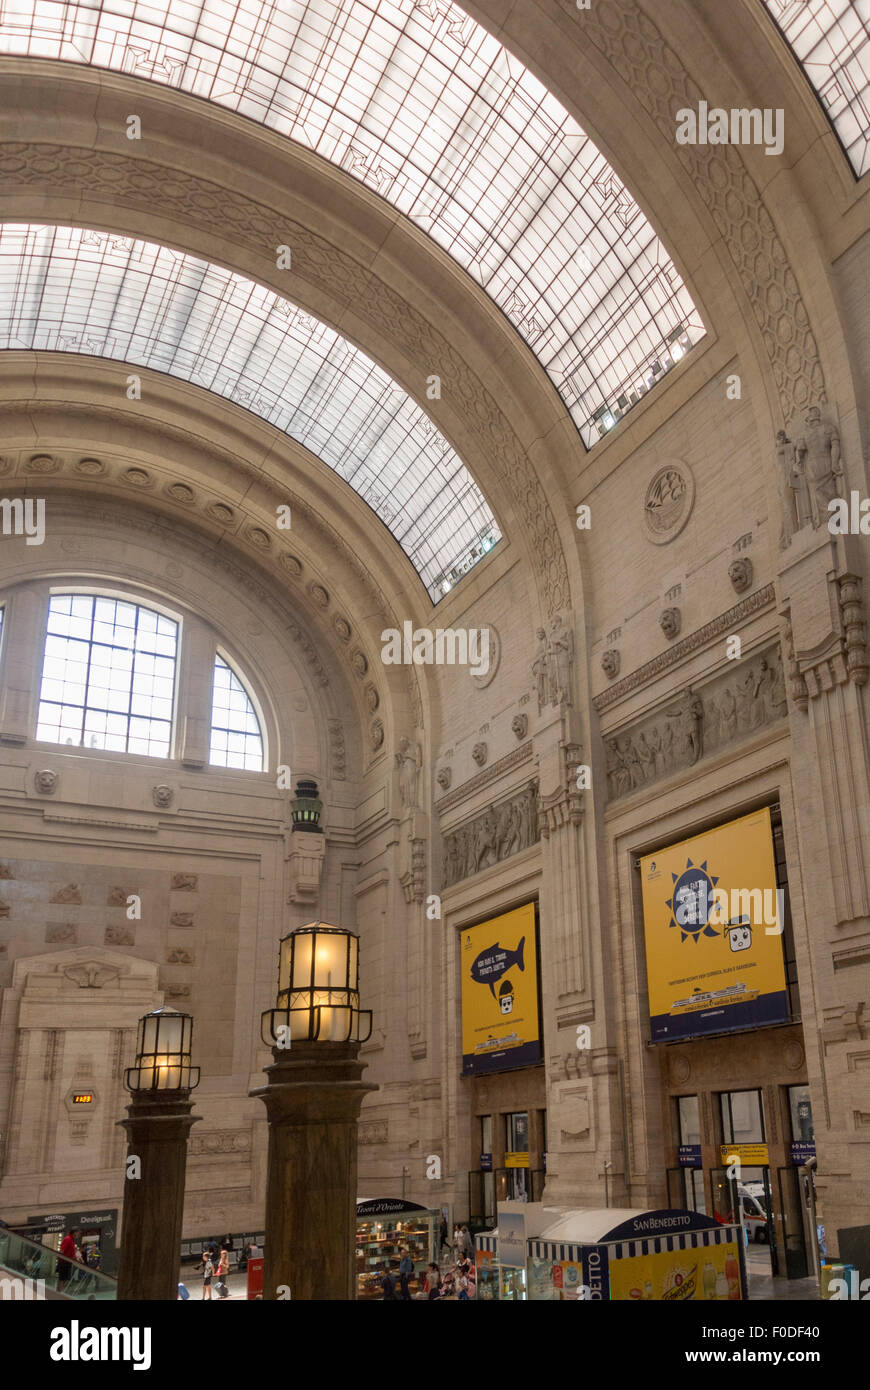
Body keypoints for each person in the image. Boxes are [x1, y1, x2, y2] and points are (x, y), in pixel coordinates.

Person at [58, 1228, 80, 1293]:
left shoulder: (72, 1240)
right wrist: (61, 1261)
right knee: (62, 1278)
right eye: (77, 1233)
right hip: (64, 1262)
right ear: (74, 1233)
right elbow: (62, 1250)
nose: (78, 1235)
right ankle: (59, 1292)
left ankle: (60, 1291)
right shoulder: (68, 1239)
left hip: (68, 1262)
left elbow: (72, 1252)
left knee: (66, 1278)